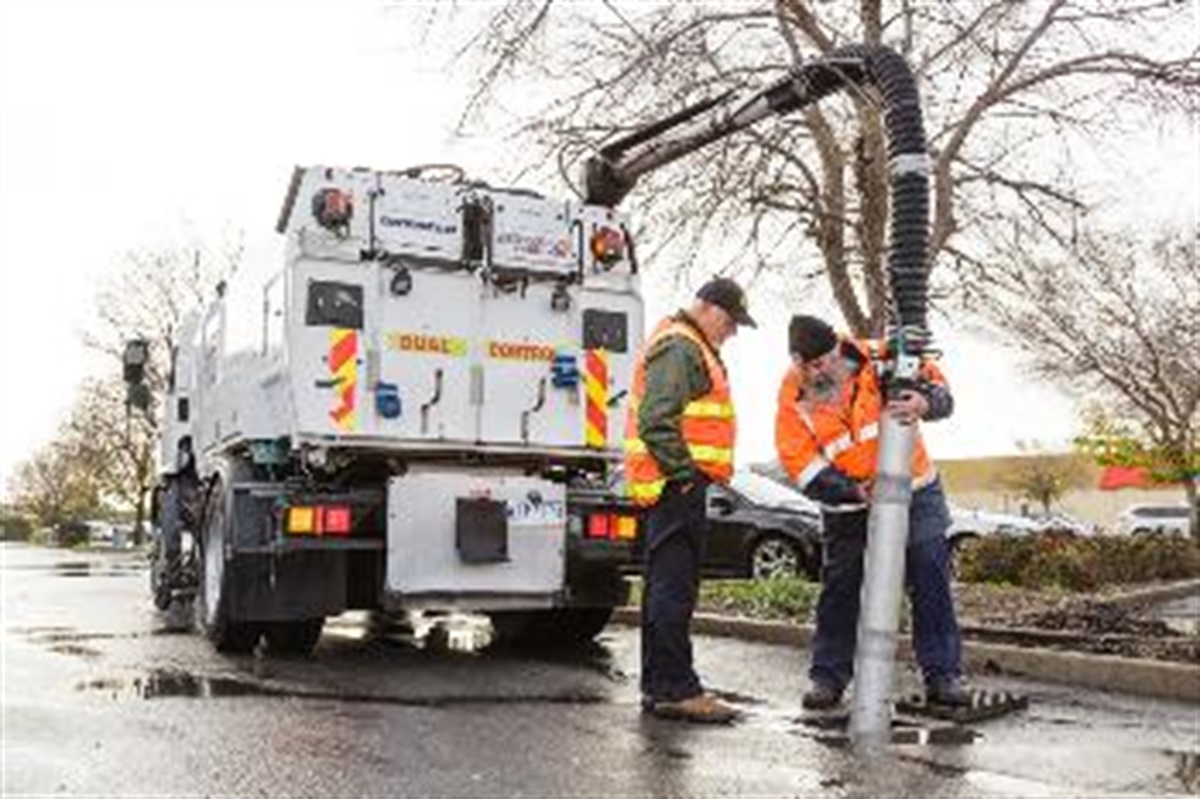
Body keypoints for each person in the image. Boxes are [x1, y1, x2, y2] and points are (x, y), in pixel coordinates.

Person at [774, 314, 969, 710]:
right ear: (797, 362)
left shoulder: (880, 357)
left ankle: (943, 675)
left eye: (823, 361)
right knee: (842, 588)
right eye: (809, 366)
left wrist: (926, 402)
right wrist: (851, 490)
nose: (818, 371)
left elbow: (942, 392)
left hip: (915, 490)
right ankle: (828, 677)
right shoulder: (794, 392)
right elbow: (799, 459)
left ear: (836, 348)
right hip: (849, 504)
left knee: (929, 576)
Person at [625, 276, 756, 723]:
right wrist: (683, 476)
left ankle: (662, 686)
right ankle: (675, 689)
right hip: (675, 485)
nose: (732, 332)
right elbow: (656, 419)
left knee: (665, 586)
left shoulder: (684, 343)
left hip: (670, 484)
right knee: (673, 588)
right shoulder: (683, 346)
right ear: (708, 308)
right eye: (731, 321)